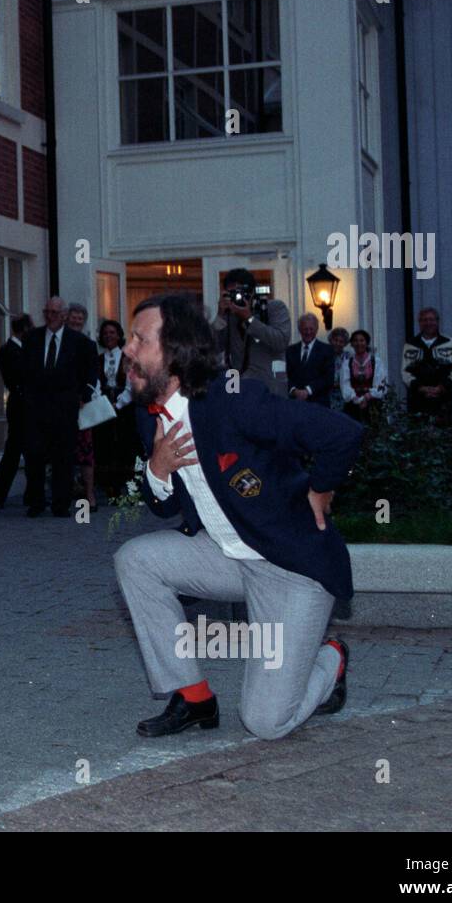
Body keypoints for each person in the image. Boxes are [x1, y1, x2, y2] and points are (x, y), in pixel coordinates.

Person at [113, 294, 364, 740]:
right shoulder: (145, 415)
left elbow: (341, 433)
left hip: (289, 566)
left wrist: (321, 488)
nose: (127, 349)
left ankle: (330, 658)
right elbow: (167, 507)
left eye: (139, 339)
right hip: (227, 557)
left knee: (265, 722)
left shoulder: (234, 401)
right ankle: (192, 696)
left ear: (175, 353)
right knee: (136, 560)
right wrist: (158, 468)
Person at [22, 296, 95, 517]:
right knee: (34, 455)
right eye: (47, 312)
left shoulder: (80, 342)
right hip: (36, 408)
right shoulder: (32, 338)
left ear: (64, 315)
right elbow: (23, 370)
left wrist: (84, 395)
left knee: (62, 457)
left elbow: (90, 372)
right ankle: (36, 502)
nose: (50, 317)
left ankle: (60, 503)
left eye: (54, 313)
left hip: (65, 408)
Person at [212, 268, 291, 396]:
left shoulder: (274, 308)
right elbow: (213, 348)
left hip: (268, 388)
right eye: (231, 293)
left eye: (240, 292)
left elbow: (281, 341)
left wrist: (249, 318)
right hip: (238, 388)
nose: (237, 297)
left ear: (252, 292)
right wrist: (220, 315)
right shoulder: (229, 315)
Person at [0, 314, 33, 509]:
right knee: (16, 452)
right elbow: (19, 377)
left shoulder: (13, 349)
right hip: (20, 407)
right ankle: (1, 496)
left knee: (17, 452)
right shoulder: (11, 350)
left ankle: (6, 495)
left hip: (21, 405)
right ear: (24, 330)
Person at [401, 307, 452, 426]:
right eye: (424, 320)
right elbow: (405, 371)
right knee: (418, 434)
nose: (428, 323)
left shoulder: (449, 342)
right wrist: (420, 387)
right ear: (419, 323)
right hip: (418, 398)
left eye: (431, 319)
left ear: (437, 321)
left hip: (443, 398)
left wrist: (442, 387)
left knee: (443, 435)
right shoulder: (411, 344)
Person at [94, 319, 134, 501]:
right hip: (103, 408)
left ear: (119, 335)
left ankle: (123, 486)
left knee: (122, 446)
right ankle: (108, 486)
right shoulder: (99, 359)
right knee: (104, 446)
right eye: (105, 333)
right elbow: (95, 384)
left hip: (122, 408)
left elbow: (130, 385)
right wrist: (101, 402)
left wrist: (118, 404)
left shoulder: (127, 358)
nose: (108, 336)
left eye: (112, 333)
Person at [67, 304, 101, 511]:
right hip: (61, 405)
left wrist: (85, 396)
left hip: (81, 405)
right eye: (73, 317)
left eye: (80, 318)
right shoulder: (59, 342)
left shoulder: (88, 344)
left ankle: (89, 495)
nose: (76, 321)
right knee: (64, 452)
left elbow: (92, 373)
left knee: (85, 453)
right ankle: (68, 490)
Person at [285, 313, 336, 406]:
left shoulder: (327, 350)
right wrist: (293, 390)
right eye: (305, 329)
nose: (308, 332)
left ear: (316, 330)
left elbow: (328, 378)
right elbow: (284, 375)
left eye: (311, 329)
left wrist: (308, 390)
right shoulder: (290, 350)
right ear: (300, 330)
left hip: (318, 404)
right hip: (294, 404)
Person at [341, 329, 388, 422]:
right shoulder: (347, 363)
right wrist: (355, 399)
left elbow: (381, 385)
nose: (359, 343)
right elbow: (345, 385)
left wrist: (367, 397)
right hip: (353, 406)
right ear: (352, 344)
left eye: (362, 340)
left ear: (366, 343)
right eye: (356, 340)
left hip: (373, 405)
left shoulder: (376, 362)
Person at [328, 327, 350, 412]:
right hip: (327, 395)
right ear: (331, 340)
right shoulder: (325, 355)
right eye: (335, 340)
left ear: (345, 344)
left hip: (344, 396)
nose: (338, 343)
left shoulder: (348, 357)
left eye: (341, 342)